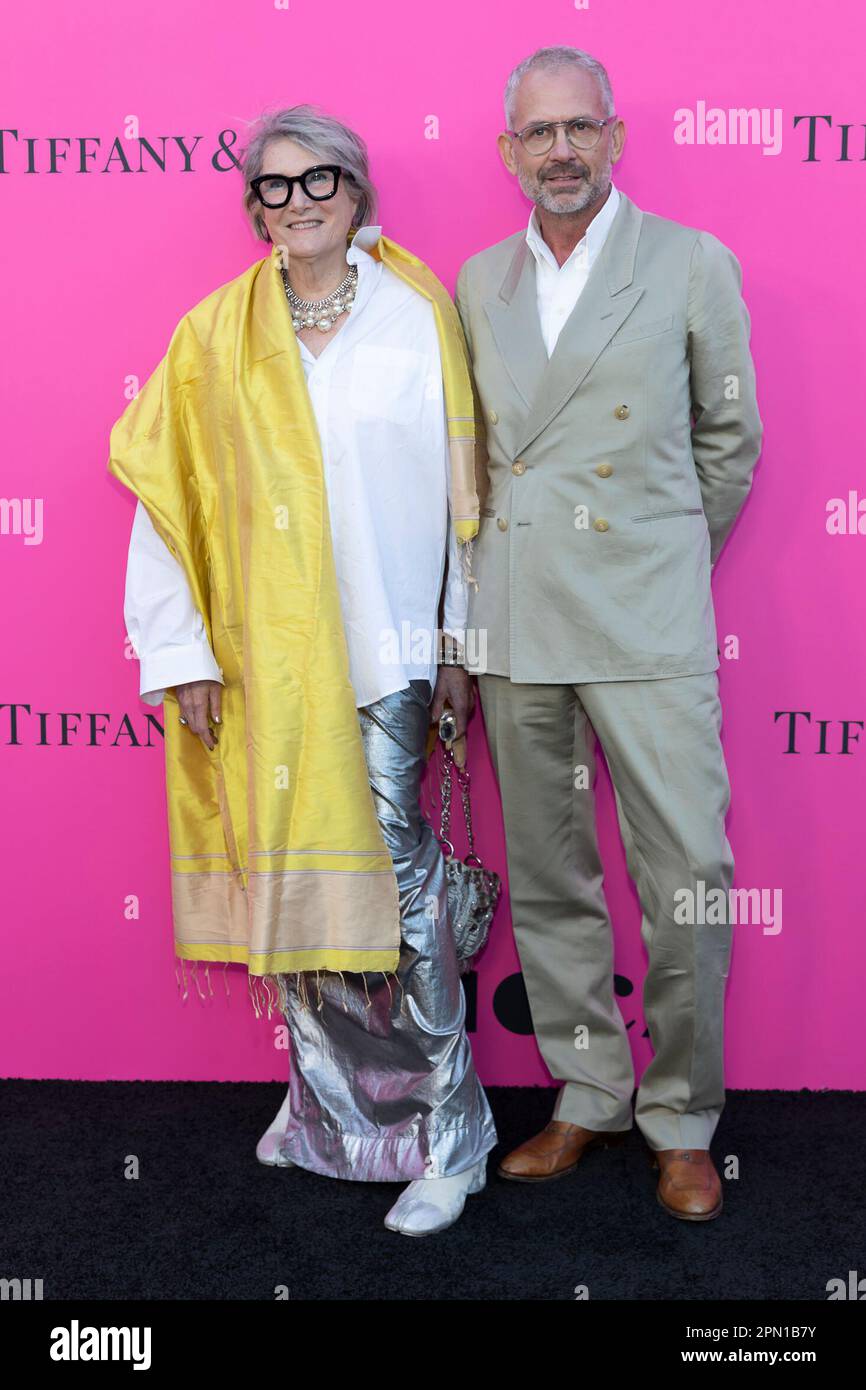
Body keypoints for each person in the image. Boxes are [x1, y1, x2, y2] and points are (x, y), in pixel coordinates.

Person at [109, 105, 497, 1236]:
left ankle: (447, 1133)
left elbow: (463, 504)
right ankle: (330, 1117)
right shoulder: (215, 337)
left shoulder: (417, 317)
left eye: (320, 178)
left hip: (386, 651)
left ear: (356, 191)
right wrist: (180, 650)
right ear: (255, 209)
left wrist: (458, 645)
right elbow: (164, 503)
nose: (299, 200)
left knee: (399, 883)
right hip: (265, 664)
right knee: (299, 888)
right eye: (275, 186)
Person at [454, 47, 762, 1220]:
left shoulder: (687, 264)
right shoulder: (478, 283)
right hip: (518, 624)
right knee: (548, 879)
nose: (560, 152)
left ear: (615, 137)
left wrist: (656, 555)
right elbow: (475, 463)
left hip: (644, 621)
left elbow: (727, 447)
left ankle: (679, 1116)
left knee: (687, 874)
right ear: (508, 152)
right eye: (537, 134)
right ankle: (586, 1092)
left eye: (578, 128)